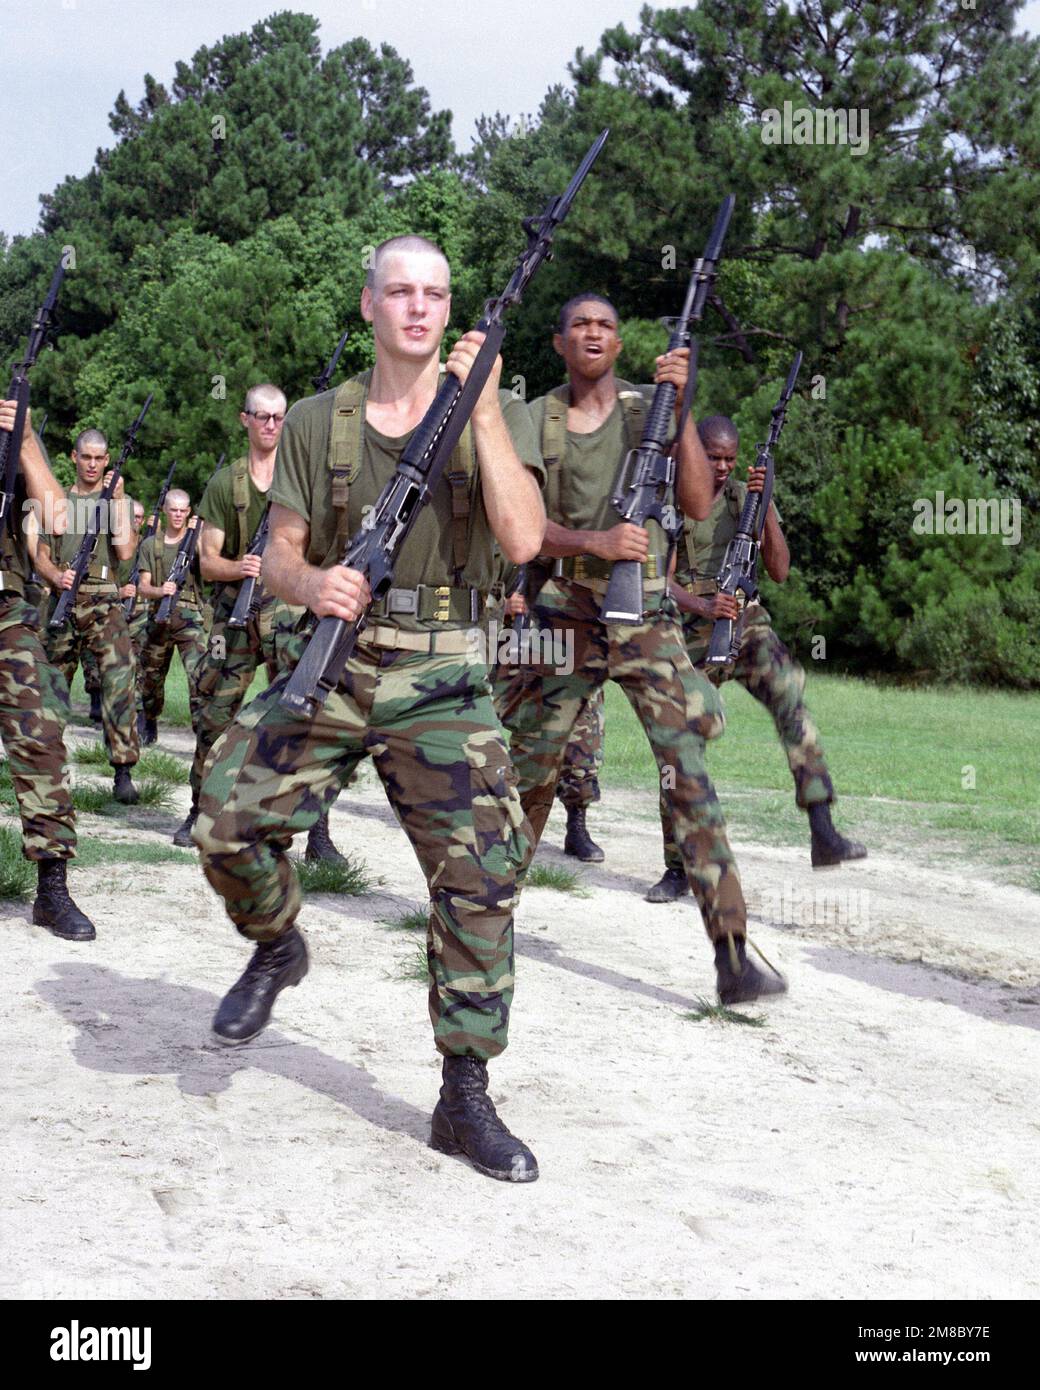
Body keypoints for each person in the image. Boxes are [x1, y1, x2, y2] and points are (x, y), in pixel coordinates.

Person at [193, 234, 545, 1182]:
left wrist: (485, 417)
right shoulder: (317, 421)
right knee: (224, 822)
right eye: (400, 292)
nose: (419, 309)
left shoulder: (498, 412)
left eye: (435, 294)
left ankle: (463, 1096)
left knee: (481, 874)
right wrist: (313, 587)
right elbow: (276, 553)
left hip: (444, 668)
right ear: (370, 306)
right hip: (339, 659)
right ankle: (278, 944)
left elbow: (520, 542)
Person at [496, 292, 784, 1003]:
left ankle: (733, 954)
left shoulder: (646, 410)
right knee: (528, 773)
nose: (595, 333)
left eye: (607, 325)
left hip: (646, 617)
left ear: (621, 344)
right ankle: (482, 923)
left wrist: (680, 407)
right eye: (581, 325)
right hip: (565, 614)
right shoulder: (539, 421)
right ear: (560, 343)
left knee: (688, 767)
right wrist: (593, 541)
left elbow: (693, 503)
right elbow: (525, 530)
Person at [646, 414, 866, 900]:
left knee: (789, 690)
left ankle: (822, 828)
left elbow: (781, 569)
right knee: (678, 739)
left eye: (728, 458)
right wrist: (702, 604)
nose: (721, 467)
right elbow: (654, 578)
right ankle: (678, 865)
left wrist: (762, 504)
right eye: (712, 457)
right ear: (693, 452)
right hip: (688, 630)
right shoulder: (669, 497)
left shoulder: (744, 498)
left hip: (745, 623)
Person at [0, 400, 95, 938]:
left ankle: (51, 890)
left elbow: (61, 519)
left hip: (7, 613)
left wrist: (28, 439)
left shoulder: (11, 448)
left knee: (41, 729)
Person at [35, 428, 140, 804]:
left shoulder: (118, 502)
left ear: (107, 459)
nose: (93, 464)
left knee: (118, 681)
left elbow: (126, 552)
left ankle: (123, 770)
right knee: (51, 685)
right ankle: (46, 766)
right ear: (74, 458)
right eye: (86, 457)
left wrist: (120, 498)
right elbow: (40, 554)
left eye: (99, 458)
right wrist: (54, 576)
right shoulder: (57, 500)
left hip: (104, 601)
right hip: (64, 600)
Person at [135, 489, 207, 744]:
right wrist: (160, 590)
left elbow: (211, 570)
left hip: (189, 617)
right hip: (159, 616)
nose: (178, 515)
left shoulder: (196, 542)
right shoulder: (149, 545)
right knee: (150, 678)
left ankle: (202, 732)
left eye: (183, 510)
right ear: (165, 510)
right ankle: (149, 720)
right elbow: (142, 587)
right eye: (173, 509)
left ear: (189, 512)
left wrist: (202, 535)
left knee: (198, 673)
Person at [84, 497, 145, 724]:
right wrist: (120, 592)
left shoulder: (146, 544)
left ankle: (132, 711)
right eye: (133, 517)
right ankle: (96, 698)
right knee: (95, 658)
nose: (135, 521)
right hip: (111, 601)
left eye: (139, 517)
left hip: (138, 610)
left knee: (132, 659)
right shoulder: (114, 540)